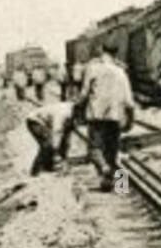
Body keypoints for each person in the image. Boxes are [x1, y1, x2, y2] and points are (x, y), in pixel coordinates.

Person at [77, 41, 136, 192]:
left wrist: (77, 108)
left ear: (101, 49)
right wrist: (130, 120)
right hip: (115, 117)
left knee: (95, 149)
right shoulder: (121, 72)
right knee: (114, 153)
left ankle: (104, 170)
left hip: (96, 116)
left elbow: (84, 94)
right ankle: (120, 186)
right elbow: (129, 101)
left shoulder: (93, 69)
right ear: (116, 52)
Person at [25, 101, 75, 176]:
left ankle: (49, 166)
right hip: (34, 121)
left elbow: (66, 135)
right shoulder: (62, 113)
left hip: (45, 121)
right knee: (47, 145)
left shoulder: (72, 109)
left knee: (62, 142)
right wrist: (56, 147)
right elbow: (56, 131)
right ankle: (35, 171)